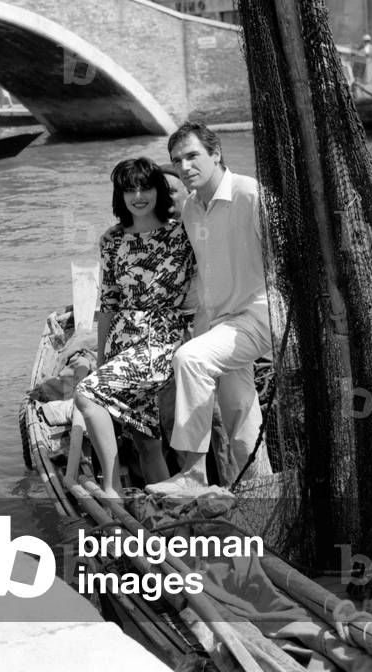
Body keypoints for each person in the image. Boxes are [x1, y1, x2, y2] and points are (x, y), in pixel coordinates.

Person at [154, 121, 271, 494]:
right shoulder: (190, 209)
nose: (185, 166)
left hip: (261, 314)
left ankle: (193, 474)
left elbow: (288, 253)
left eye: (193, 155)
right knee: (240, 413)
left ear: (215, 153)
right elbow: (206, 274)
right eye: (177, 160)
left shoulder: (249, 194)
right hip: (222, 323)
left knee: (190, 359)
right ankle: (263, 489)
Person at [73, 158, 195, 497]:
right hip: (121, 343)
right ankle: (165, 511)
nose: (138, 196)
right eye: (129, 190)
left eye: (146, 187)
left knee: (86, 393)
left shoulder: (181, 232)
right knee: (146, 442)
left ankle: (111, 489)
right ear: (119, 196)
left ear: (159, 190)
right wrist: (101, 357)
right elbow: (109, 304)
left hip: (161, 340)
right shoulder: (111, 240)